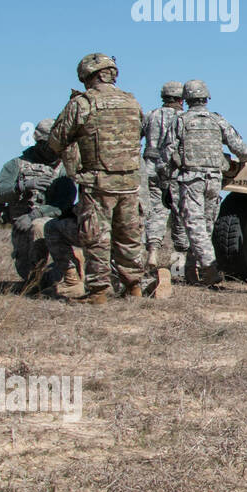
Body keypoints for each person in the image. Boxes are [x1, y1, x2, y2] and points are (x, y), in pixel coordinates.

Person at [45, 53, 146, 304]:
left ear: (90, 76)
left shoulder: (83, 104)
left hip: (98, 183)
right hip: (130, 182)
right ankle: (133, 287)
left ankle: (99, 292)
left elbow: (56, 140)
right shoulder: (132, 102)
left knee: (97, 237)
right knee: (129, 236)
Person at [163, 79, 247, 286]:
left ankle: (210, 268)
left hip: (191, 180)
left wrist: (166, 179)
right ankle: (192, 272)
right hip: (213, 180)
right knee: (205, 225)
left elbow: (167, 153)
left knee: (194, 225)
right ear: (206, 97)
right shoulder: (217, 121)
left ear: (186, 99)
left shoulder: (181, 121)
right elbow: (244, 150)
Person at [0, 119, 73, 284]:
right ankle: (39, 278)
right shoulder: (16, 165)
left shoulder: (64, 168)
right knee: (29, 275)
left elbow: (64, 203)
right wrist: (23, 186)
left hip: (52, 227)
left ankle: (64, 274)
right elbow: (0, 192)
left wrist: (35, 215)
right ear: (40, 142)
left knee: (56, 276)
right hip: (22, 227)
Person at [143, 81, 188, 299]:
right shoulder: (183, 119)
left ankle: (152, 252)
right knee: (180, 217)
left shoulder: (150, 115)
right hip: (176, 171)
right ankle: (178, 267)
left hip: (150, 169)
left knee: (156, 212)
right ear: (182, 99)